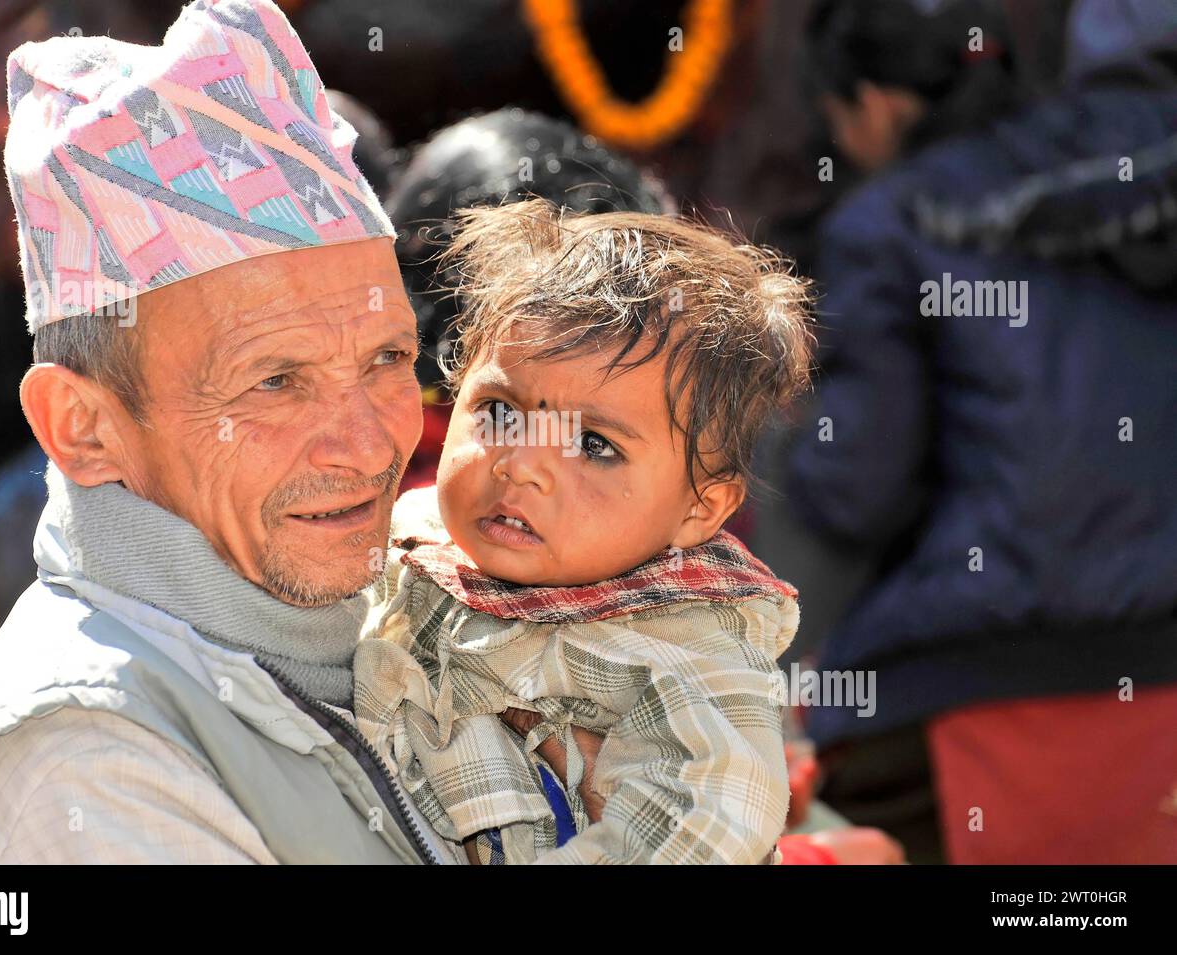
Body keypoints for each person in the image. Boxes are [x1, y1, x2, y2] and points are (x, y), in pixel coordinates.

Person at [0, 0, 444, 864]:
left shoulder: (380, 651)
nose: (369, 446)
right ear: (83, 428)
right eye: (276, 382)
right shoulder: (73, 768)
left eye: (387, 358)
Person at [787, 0, 1177, 863]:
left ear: (880, 105)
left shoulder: (887, 224)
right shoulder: (1146, 172)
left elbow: (857, 487)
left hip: (980, 672)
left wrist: (793, 441)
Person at [354, 199, 813, 863]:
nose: (522, 465)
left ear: (701, 508)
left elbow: (701, 826)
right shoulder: (411, 536)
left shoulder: (692, 642)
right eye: (500, 412)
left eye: (594, 444)